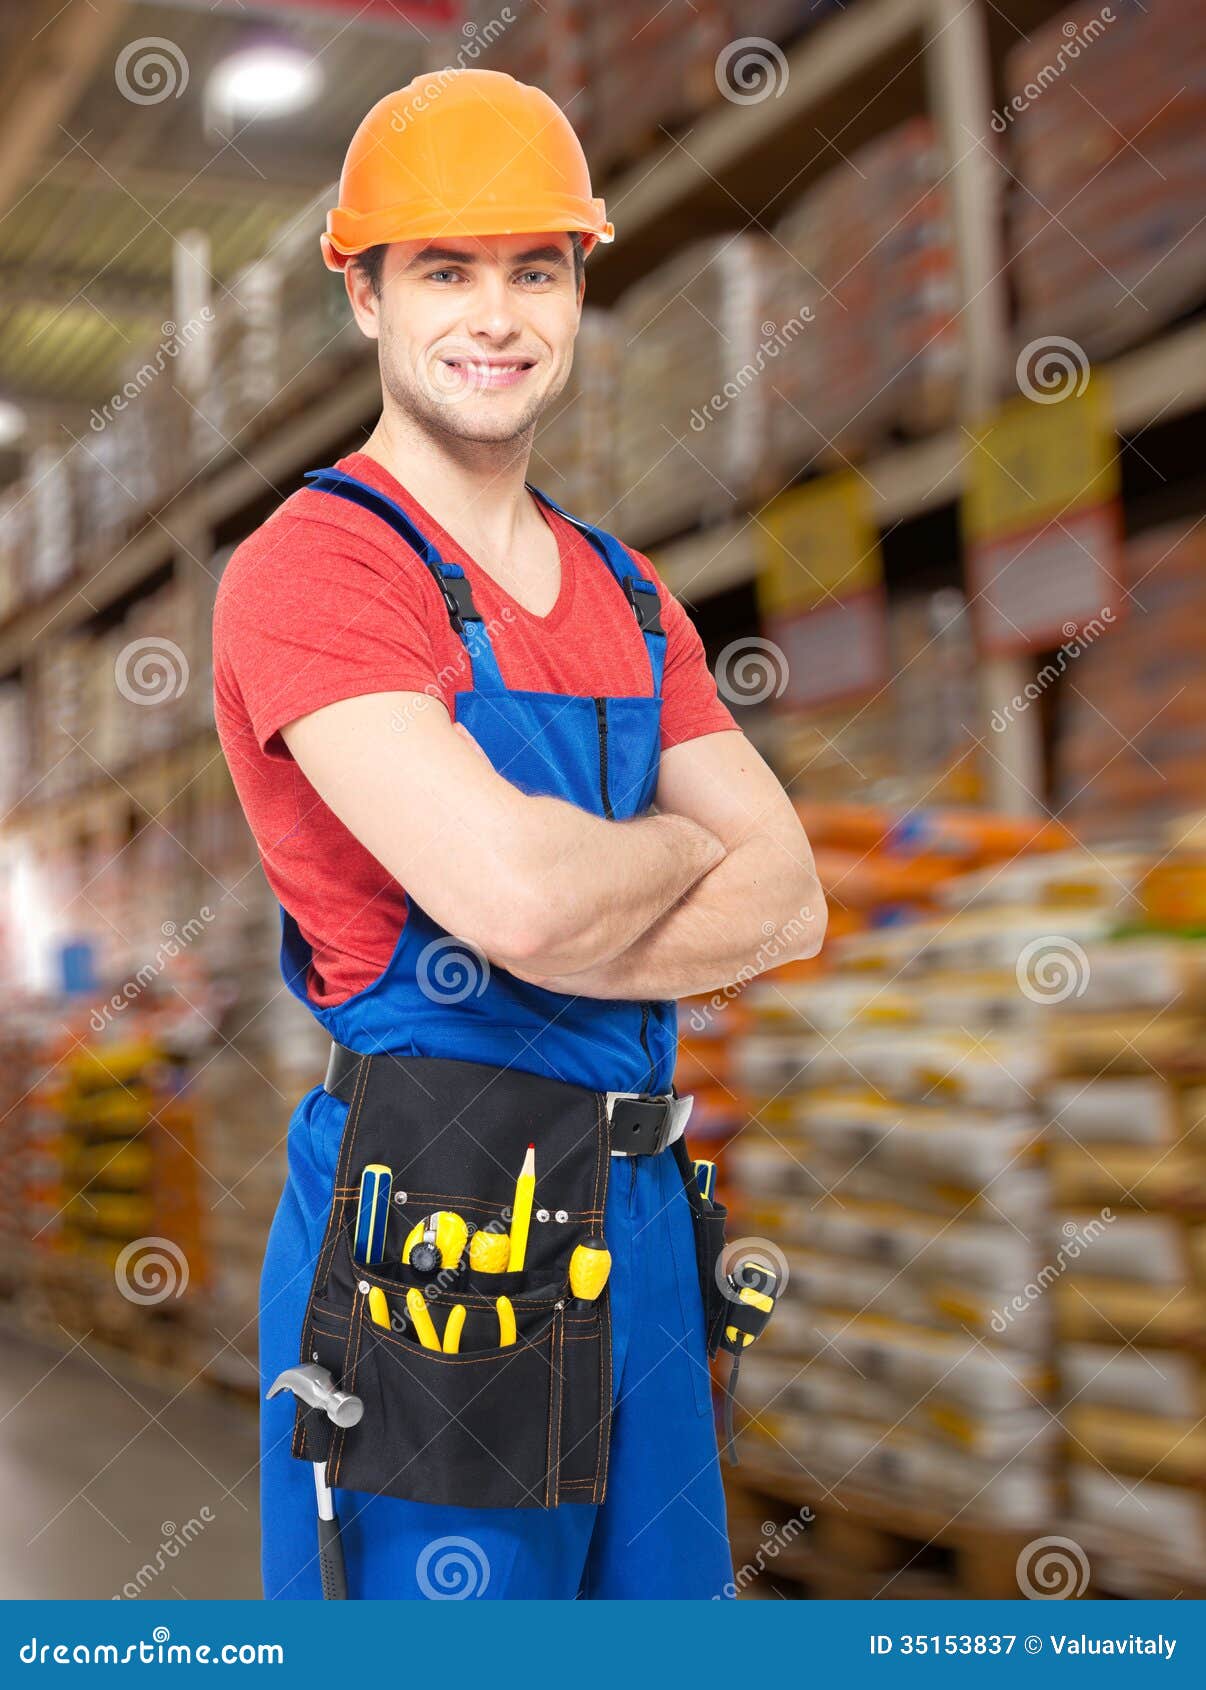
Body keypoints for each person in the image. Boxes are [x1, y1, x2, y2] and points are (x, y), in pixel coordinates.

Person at [213, 67, 825, 1601]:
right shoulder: (318, 571)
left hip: (638, 1214)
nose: (496, 315)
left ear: (572, 290)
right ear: (361, 293)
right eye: (443, 269)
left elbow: (794, 898)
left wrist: (580, 881)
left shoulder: (628, 596)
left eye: (533, 269)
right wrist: (682, 850)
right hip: (436, 1224)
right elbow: (518, 904)